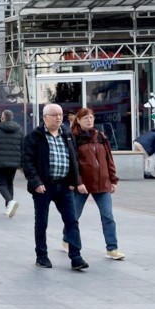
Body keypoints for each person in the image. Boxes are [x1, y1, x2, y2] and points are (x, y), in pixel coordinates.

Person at [22, 103, 87, 271]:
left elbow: (73, 159)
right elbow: (27, 162)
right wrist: (36, 182)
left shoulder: (67, 135)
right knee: (42, 222)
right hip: (44, 187)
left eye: (60, 115)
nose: (59, 118)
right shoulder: (34, 136)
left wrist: (75, 181)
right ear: (45, 117)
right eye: (54, 115)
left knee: (72, 221)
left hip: (65, 186)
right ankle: (41, 255)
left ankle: (76, 257)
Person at [65, 108, 125, 260]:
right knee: (74, 216)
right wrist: (78, 182)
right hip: (83, 184)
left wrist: (113, 179)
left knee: (108, 216)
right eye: (85, 118)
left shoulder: (101, 136)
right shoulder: (73, 137)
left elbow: (108, 159)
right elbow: (72, 163)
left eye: (91, 117)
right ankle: (67, 239)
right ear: (78, 120)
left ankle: (112, 248)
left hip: (102, 182)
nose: (89, 120)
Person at [0, 109, 24, 218]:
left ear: (2, 118)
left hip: (0, 161)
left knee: (0, 184)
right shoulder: (19, 129)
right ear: (12, 117)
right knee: (9, 183)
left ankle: (10, 202)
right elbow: (23, 146)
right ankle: (9, 207)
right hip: (14, 161)